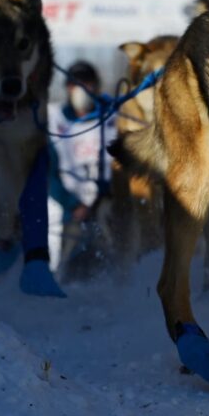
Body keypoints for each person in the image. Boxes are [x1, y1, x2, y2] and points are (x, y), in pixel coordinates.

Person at [48, 60, 117, 281]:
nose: (80, 89)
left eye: (86, 84)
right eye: (75, 84)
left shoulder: (114, 117)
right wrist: (71, 203)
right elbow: (48, 173)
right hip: (73, 207)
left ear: (95, 86)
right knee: (70, 256)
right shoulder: (54, 120)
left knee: (110, 250)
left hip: (108, 203)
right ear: (67, 88)